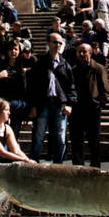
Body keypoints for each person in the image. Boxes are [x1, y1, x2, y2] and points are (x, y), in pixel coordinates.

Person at [28, 33, 75, 163]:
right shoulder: (40, 63)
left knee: (60, 137)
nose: (58, 45)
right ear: (48, 44)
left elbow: (71, 87)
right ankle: (33, 162)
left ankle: (58, 164)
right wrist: (32, 105)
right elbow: (32, 86)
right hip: (43, 103)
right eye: (55, 42)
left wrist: (70, 103)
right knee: (38, 135)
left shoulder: (66, 65)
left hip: (59, 104)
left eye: (60, 43)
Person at [69, 41, 109, 167]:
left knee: (94, 140)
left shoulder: (98, 68)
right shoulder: (74, 69)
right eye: (79, 51)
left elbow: (105, 88)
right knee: (76, 140)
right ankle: (78, 165)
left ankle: (95, 166)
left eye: (84, 51)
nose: (81, 54)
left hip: (93, 108)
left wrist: (99, 103)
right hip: (77, 109)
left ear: (90, 53)